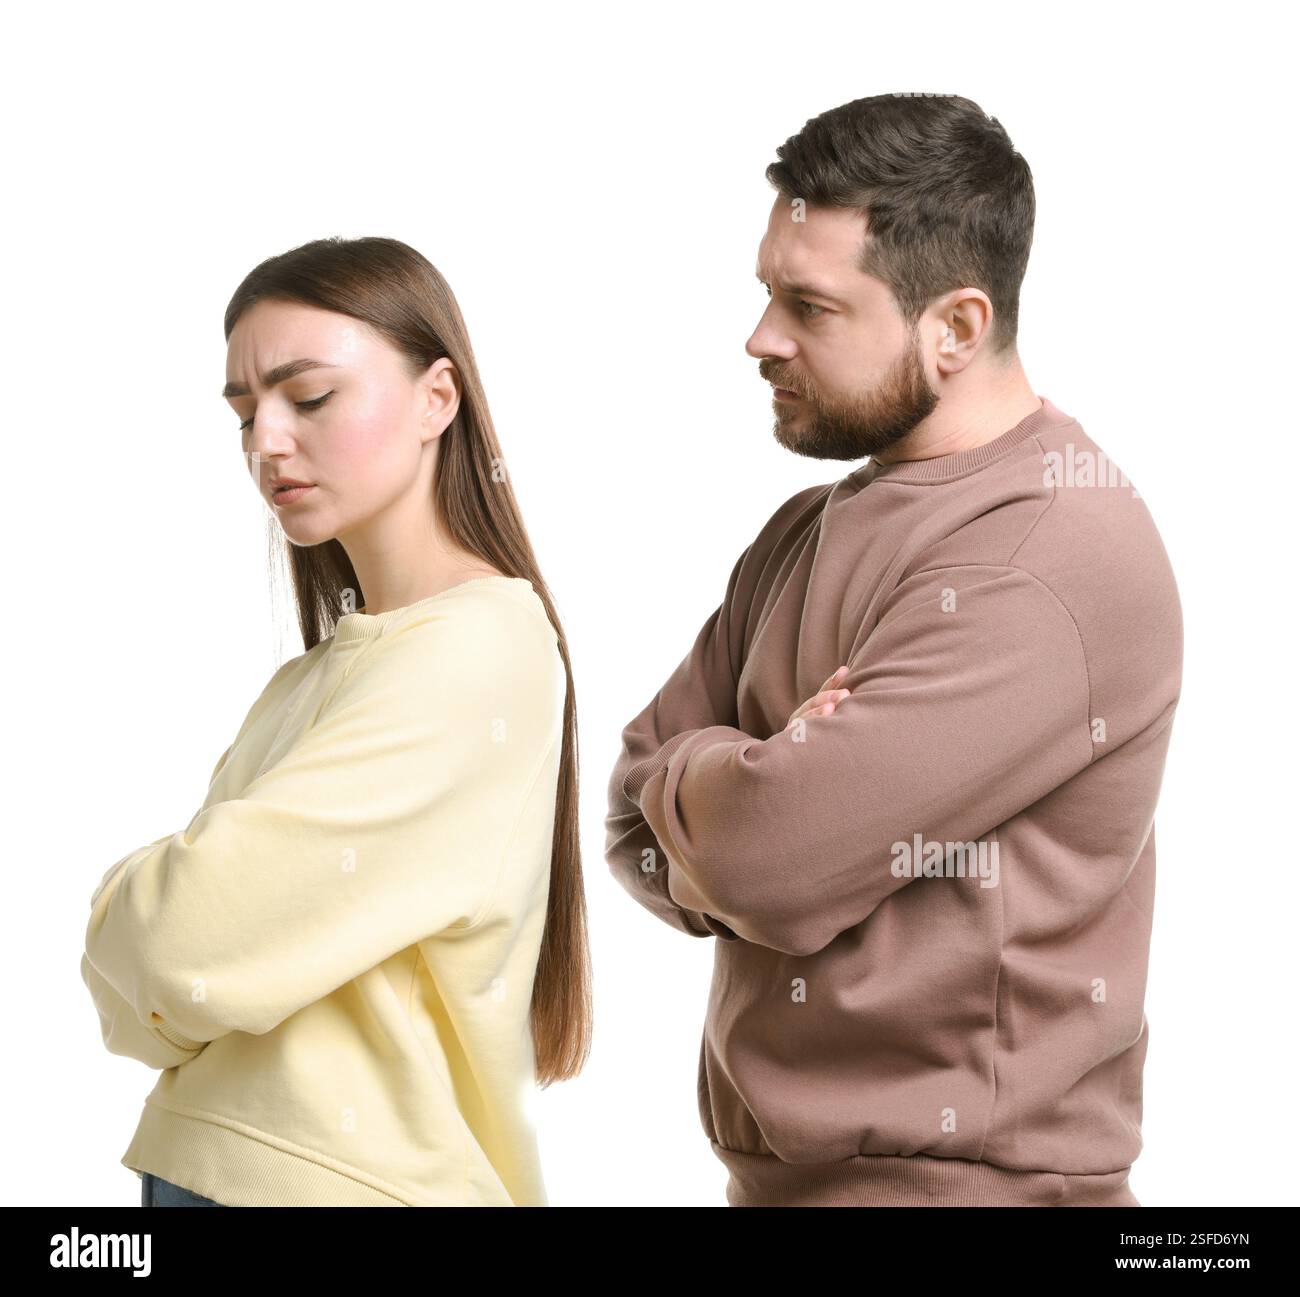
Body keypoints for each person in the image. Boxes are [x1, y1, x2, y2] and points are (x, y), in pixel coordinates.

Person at [605, 93, 1182, 1208]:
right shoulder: (801, 531)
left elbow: (765, 863)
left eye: (808, 306)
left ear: (955, 329)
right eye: (765, 293)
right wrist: (733, 784)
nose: (759, 337)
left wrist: (733, 800)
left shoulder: (1047, 552)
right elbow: (624, 823)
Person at [81, 236, 590, 1207]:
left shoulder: (480, 647)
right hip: (203, 1165)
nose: (266, 441)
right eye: (243, 414)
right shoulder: (311, 678)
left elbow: (178, 940)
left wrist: (134, 909)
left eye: (308, 397)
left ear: (438, 399)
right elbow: (171, 960)